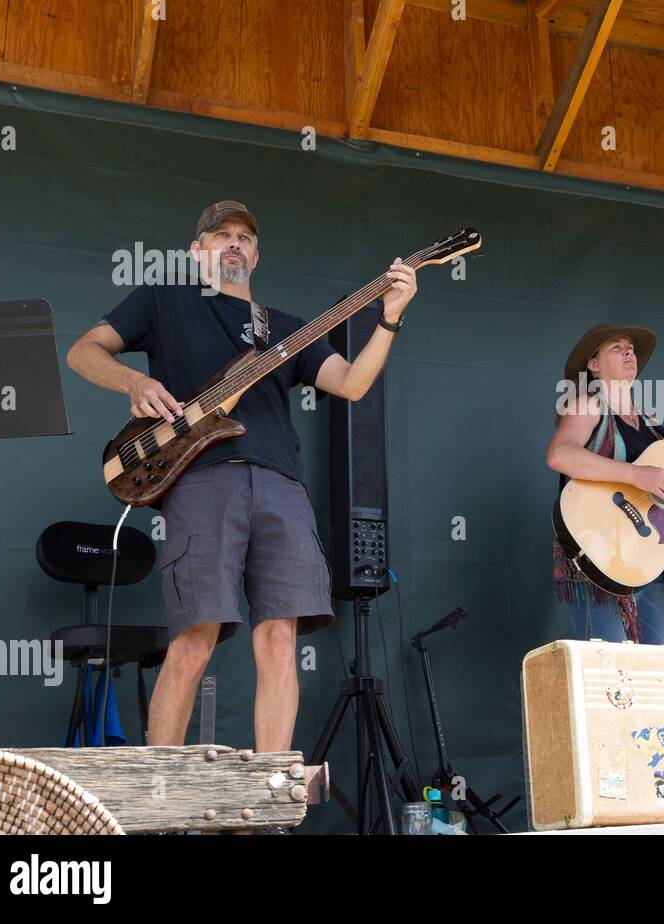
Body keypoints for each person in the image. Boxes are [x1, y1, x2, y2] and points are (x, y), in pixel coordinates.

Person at [66, 200, 417, 755]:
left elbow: (352, 384)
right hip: (204, 478)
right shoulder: (163, 300)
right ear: (197, 250)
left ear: (255, 254)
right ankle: (161, 785)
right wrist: (133, 383)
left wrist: (390, 315)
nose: (234, 242)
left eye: (245, 237)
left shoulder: (284, 329)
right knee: (195, 637)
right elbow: (83, 351)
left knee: (280, 637)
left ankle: (271, 785)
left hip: (282, 485)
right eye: (221, 233)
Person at [546, 324, 664, 645]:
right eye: (616, 348)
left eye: (631, 348)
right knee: (609, 674)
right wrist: (638, 475)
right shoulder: (587, 405)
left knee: (654, 670)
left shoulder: (651, 426)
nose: (629, 352)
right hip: (601, 551)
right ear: (593, 365)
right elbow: (559, 455)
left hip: (649, 561)